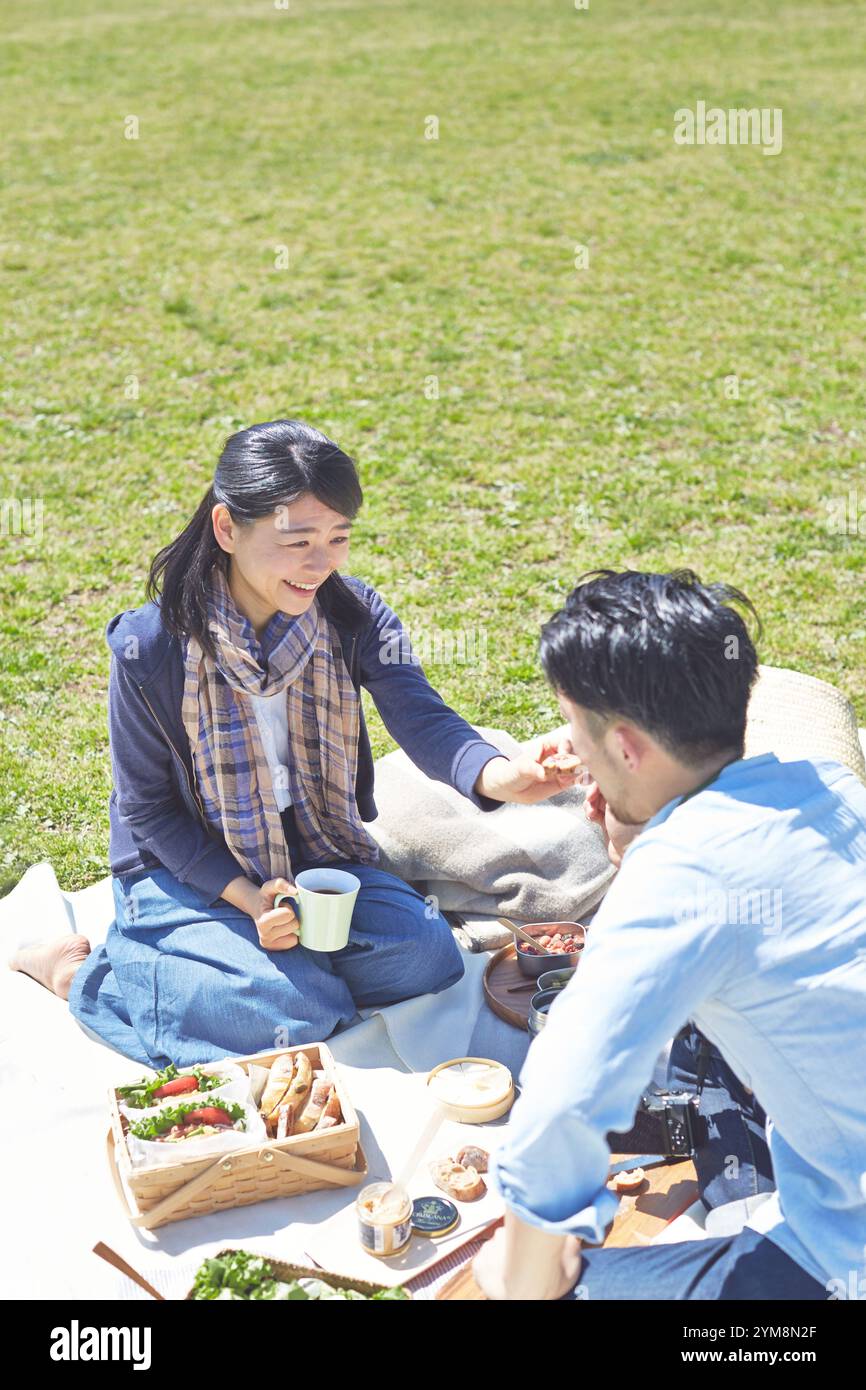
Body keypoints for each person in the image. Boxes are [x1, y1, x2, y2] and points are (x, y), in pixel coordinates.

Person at [10, 420, 579, 1066]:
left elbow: (423, 717)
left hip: (310, 842)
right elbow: (149, 814)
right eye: (297, 539)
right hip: (184, 866)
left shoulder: (352, 616)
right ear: (228, 529)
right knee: (291, 1014)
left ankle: (259, 972)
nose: (322, 563)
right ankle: (84, 974)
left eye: (337, 538)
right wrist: (250, 900)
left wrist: (502, 775)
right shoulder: (150, 648)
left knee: (427, 955)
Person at [474, 568, 866, 1300]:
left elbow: (558, 1107)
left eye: (579, 736)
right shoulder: (829, 786)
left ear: (626, 745)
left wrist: (524, 1279)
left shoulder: (684, 874)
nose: (575, 758)